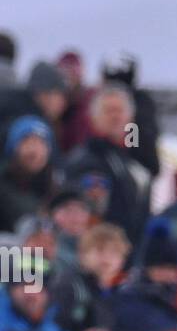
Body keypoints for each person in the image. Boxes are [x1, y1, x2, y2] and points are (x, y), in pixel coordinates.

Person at [65, 84, 152, 246]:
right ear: (93, 118)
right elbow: (90, 216)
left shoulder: (128, 158)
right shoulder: (86, 159)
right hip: (103, 254)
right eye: (108, 111)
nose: (115, 116)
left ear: (131, 118)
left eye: (119, 111)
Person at [0, 116, 57, 233]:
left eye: (41, 143)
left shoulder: (54, 183)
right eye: (27, 142)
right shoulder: (3, 182)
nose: (35, 151)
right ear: (13, 148)